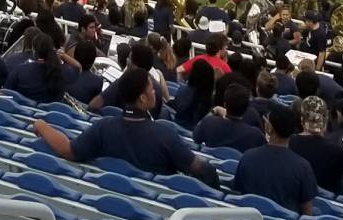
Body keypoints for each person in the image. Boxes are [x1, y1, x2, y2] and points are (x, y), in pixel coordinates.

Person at [32, 67, 215, 185]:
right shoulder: (165, 135)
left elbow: (67, 150)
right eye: (151, 89)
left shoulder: (103, 127)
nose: (154, 92)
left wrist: (42, 125)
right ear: (142, 98)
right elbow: (204, 170)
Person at [231, 101, 318, 214]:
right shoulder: (303, 167)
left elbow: (237, 193)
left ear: (269, 127)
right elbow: (307, 213)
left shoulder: (248, 157)